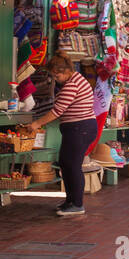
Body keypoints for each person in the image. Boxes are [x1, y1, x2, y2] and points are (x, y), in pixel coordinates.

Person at [24, 54, 98, 217]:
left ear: (66, 71)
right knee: (66, 163)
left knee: (73, 166)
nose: (56, 79)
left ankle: (77, 204)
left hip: (80, 128)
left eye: (57, 75)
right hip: (78, 129)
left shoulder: (72, 85)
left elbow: (57, 111)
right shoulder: (75, 79)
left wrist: (36, 124)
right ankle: (70, 201)